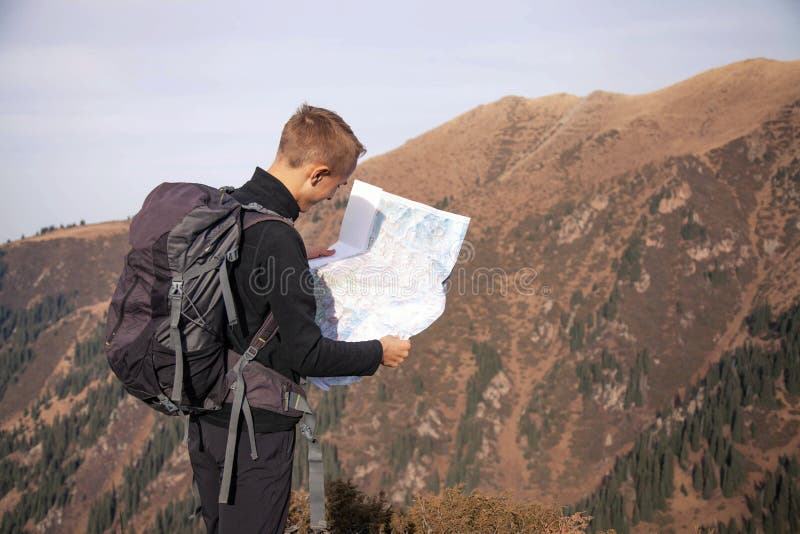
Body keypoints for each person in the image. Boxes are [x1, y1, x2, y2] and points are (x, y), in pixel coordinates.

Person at [188, 104, 411, 533]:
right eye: (336, 185)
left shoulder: (231, 207)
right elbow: (307, 355)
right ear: (317, 173)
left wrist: (294, 260)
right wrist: (379, 352)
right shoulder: (276, 237)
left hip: (205, 416)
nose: (331, 196)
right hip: (255, 430)